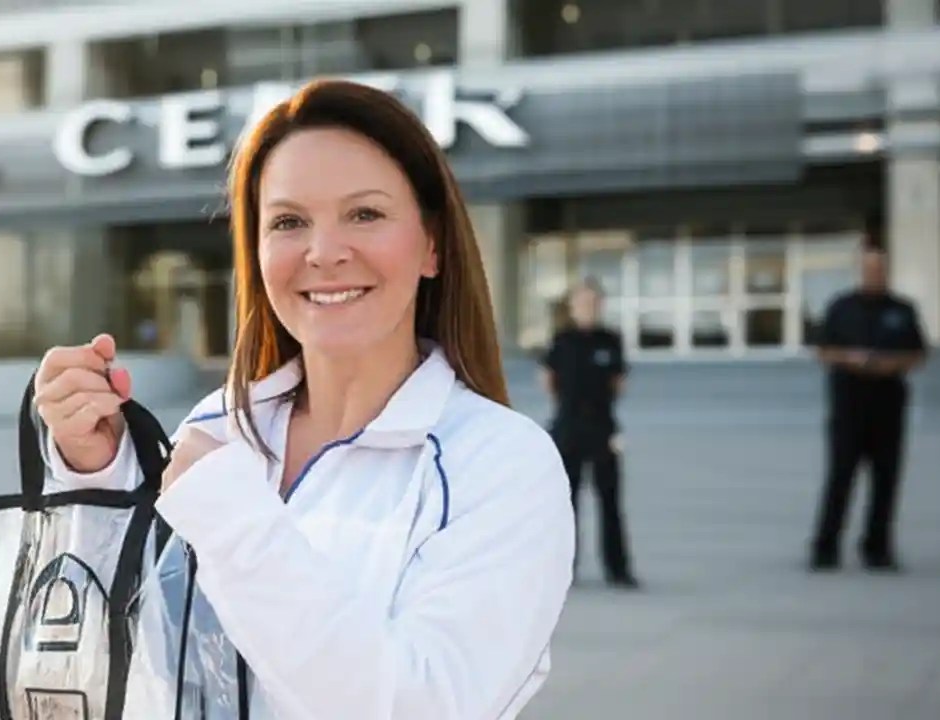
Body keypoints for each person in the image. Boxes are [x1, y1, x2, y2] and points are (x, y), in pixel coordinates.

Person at [29, 79, 575, 719]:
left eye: (364, 214)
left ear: (432, 245)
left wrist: (235, 524)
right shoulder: (215, 428)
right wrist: (95, 478)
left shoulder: (500, 462)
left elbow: (420, 707)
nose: (324, 253)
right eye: (289, 222)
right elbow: (115, 662)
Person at [809, 244, 927, 572]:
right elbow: (822, 350)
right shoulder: (841, 307)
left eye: (880, 269)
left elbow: (918, 355)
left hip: (888, 408)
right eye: (869, 269)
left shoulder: (903, 310)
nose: (875, 274)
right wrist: (851, 358)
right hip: (848, 407)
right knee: (840, 477)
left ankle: (877, 547)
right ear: (860, 271)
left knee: (886, 480)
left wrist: (890, 364)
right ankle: (825, 547)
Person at [540, 280, 638, 589]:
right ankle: (563, 570)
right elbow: (548, 380)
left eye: (594, 302)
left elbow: (619, 383)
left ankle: (618, 570)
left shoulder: (611, 341)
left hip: (603, 429)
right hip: (567, 429)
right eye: (583, 302)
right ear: (572, 307)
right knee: (565, 504)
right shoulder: (561, 341)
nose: (589, 307)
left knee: (610, 501)